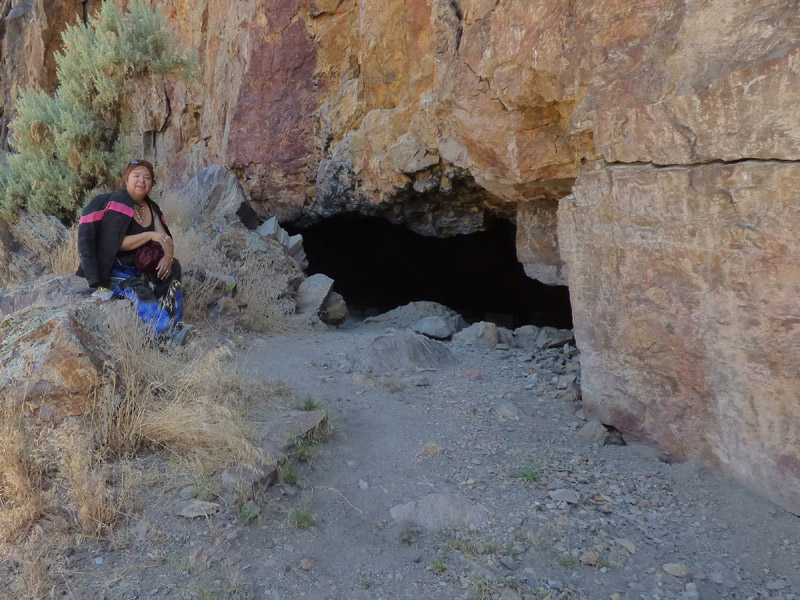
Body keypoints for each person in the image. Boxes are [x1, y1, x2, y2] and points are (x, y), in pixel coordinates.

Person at [77, 159, 192, 345]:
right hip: (116, 271)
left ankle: (176, 324)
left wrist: (168, 257)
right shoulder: (115, 203)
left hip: (142, 266)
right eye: (136, 176)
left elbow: (164, 239)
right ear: (126, 179)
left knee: (173, 268)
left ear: (152, 183)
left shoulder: (152, 208)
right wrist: (148, 235)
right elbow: (114, 243)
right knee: (139, 289)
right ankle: (165, 335)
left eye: (147, 177)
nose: (142, 181)